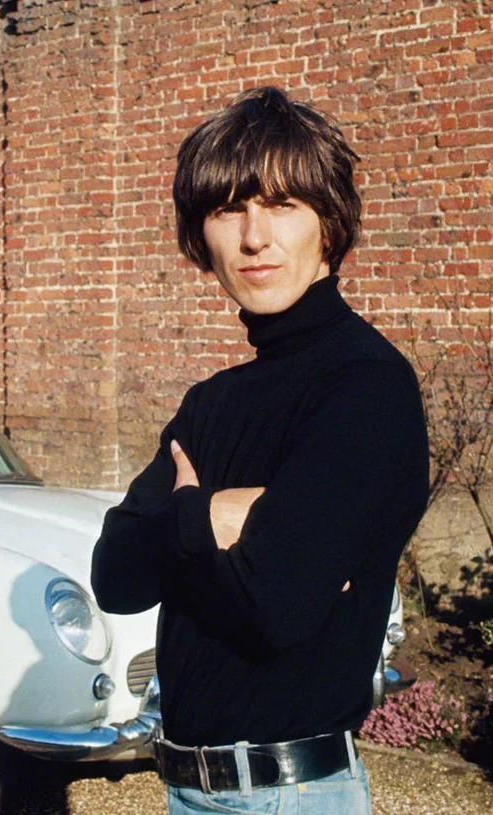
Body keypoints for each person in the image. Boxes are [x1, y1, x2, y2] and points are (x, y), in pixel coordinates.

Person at [91, 86, 429, 814]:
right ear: (200, 236)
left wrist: (178, 518)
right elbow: (115, 575)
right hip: (187, 791)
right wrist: (216, 516)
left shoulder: (366, 386)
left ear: (328, 226)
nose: (253, 237)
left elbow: (275, 608)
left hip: (288, 795)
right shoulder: (210, 401)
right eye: (227, 209)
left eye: (282, 206)